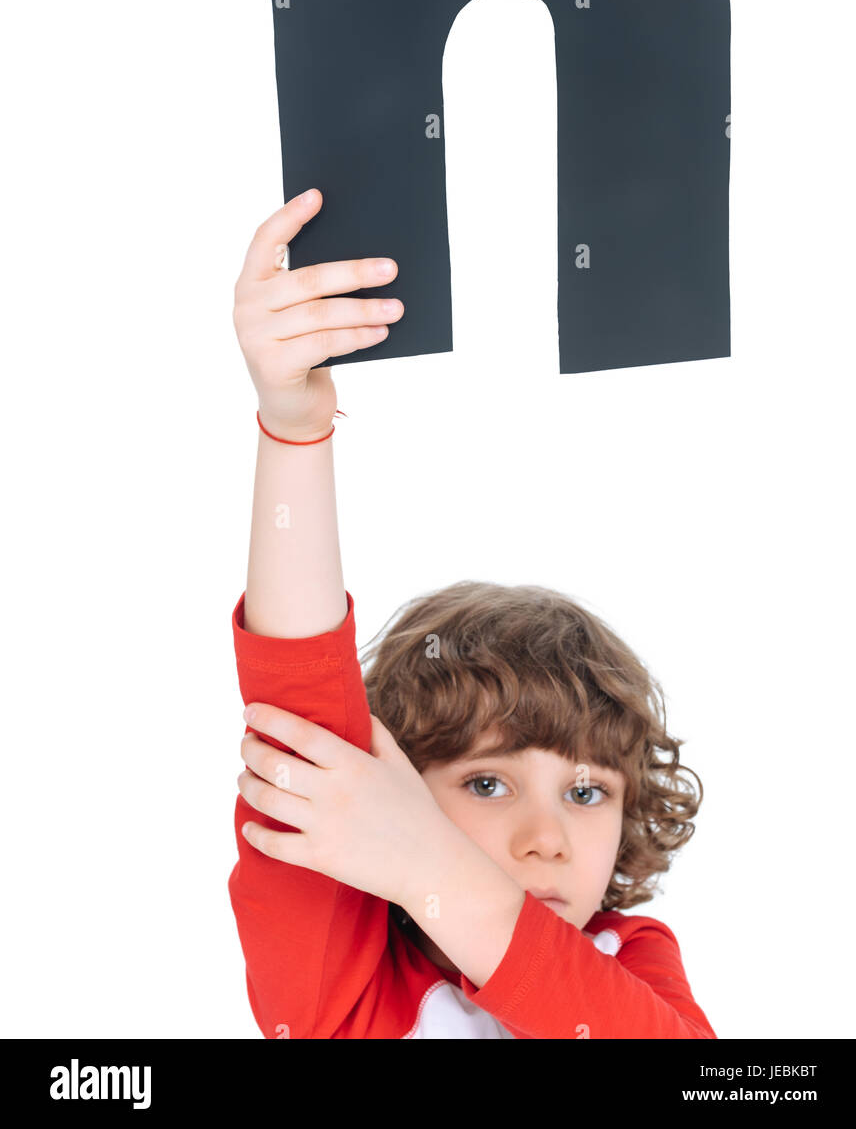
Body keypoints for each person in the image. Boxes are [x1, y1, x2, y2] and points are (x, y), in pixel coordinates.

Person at [227, 188, 716, 1039]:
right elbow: (302, 708)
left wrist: (429, 861)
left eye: (588, 791)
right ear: (393, 791)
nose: (548, 839)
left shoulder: (628, 961)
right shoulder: (347, 992)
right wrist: (293, 426)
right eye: (487, 783)